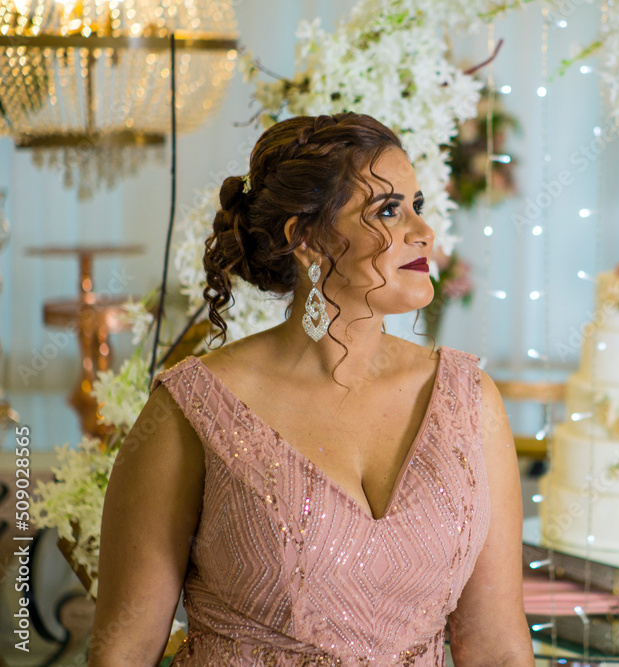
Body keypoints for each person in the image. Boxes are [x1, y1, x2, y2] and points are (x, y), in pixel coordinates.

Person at [90, 113, 534, 665]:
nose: (424, 232)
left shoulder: (469, 400)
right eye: (388, 210)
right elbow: (123, 651)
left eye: (417, 206)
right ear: (306, 240)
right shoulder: (192, 409)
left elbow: (495, 646)